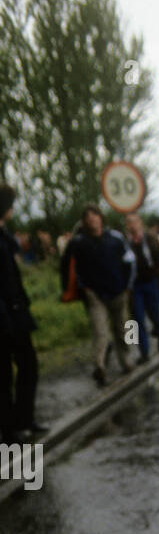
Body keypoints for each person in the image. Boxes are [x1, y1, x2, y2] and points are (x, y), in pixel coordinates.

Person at [67, 204, 136, 384]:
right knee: (100, 331)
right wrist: (85, 289)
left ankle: (128, 358)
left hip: (119, 291)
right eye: (88, 217)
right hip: (96, 294)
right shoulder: (80, 242)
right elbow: (74, 268)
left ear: (101, 218)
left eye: (94, 216)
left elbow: (130, 262)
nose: (92, 220)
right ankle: (99, 366)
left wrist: (128, 286)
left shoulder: (116, 238)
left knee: (126, 326)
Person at [0, 183, 45, 442]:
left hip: (16, 312)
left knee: (28, 366)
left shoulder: (4, 235)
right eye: (10, 204)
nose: (13, 209)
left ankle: (24, 419)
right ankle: (9, 431)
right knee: (4, 374)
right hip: (4, 317)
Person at [124, 213, 159, 362]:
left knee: (155, 313)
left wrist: (156, 272)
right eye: (129, 223)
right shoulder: (125, 242)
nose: (132, 226)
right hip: (134, 285)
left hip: (150, 281)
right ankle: (144, 351)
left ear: (140, 223)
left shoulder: (149, 239)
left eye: (135, 222)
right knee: (136, 319)